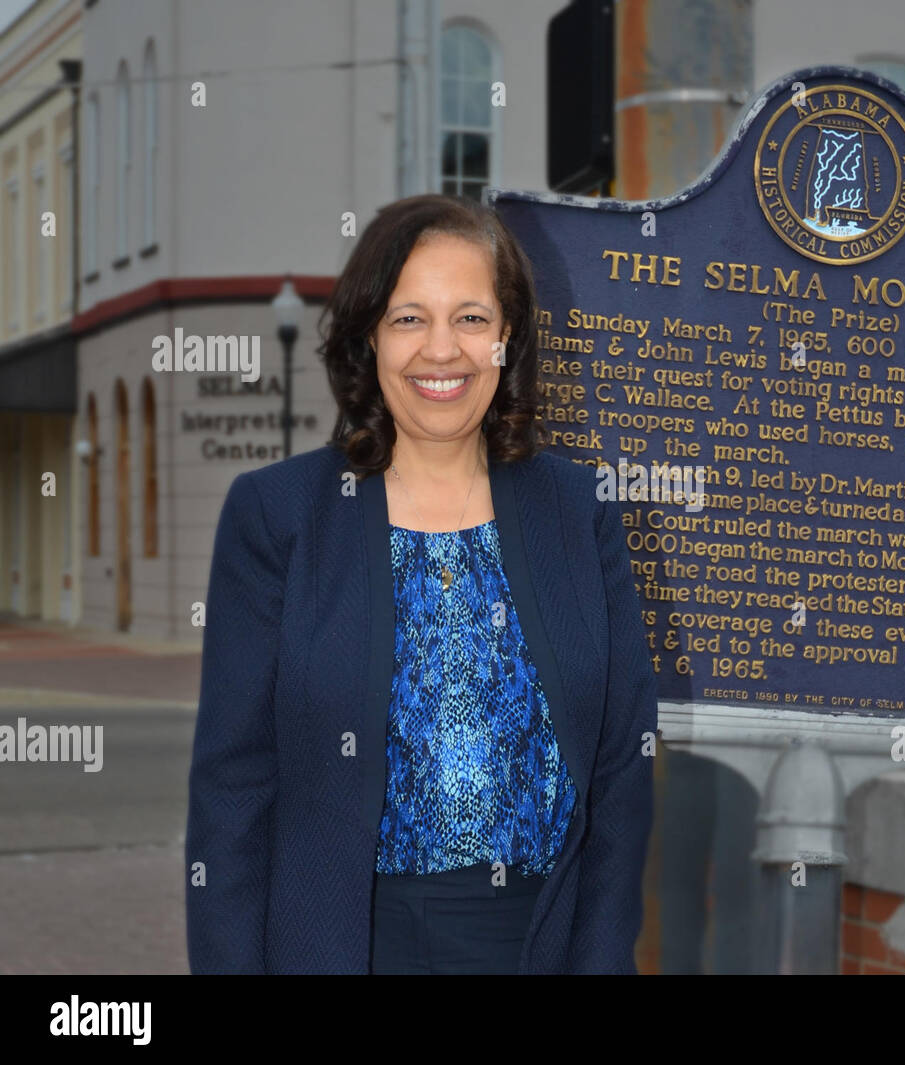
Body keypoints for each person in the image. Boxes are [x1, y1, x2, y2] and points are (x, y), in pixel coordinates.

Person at [185, 193, 658, 974]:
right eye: (409, 318)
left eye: (471, 318)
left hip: (536, 941)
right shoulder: (279, 517)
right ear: (369, 337)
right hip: (345, 946)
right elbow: (232, 794)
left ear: (507, 338)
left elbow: (619, 770)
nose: (442, 350)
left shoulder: (580, 511)